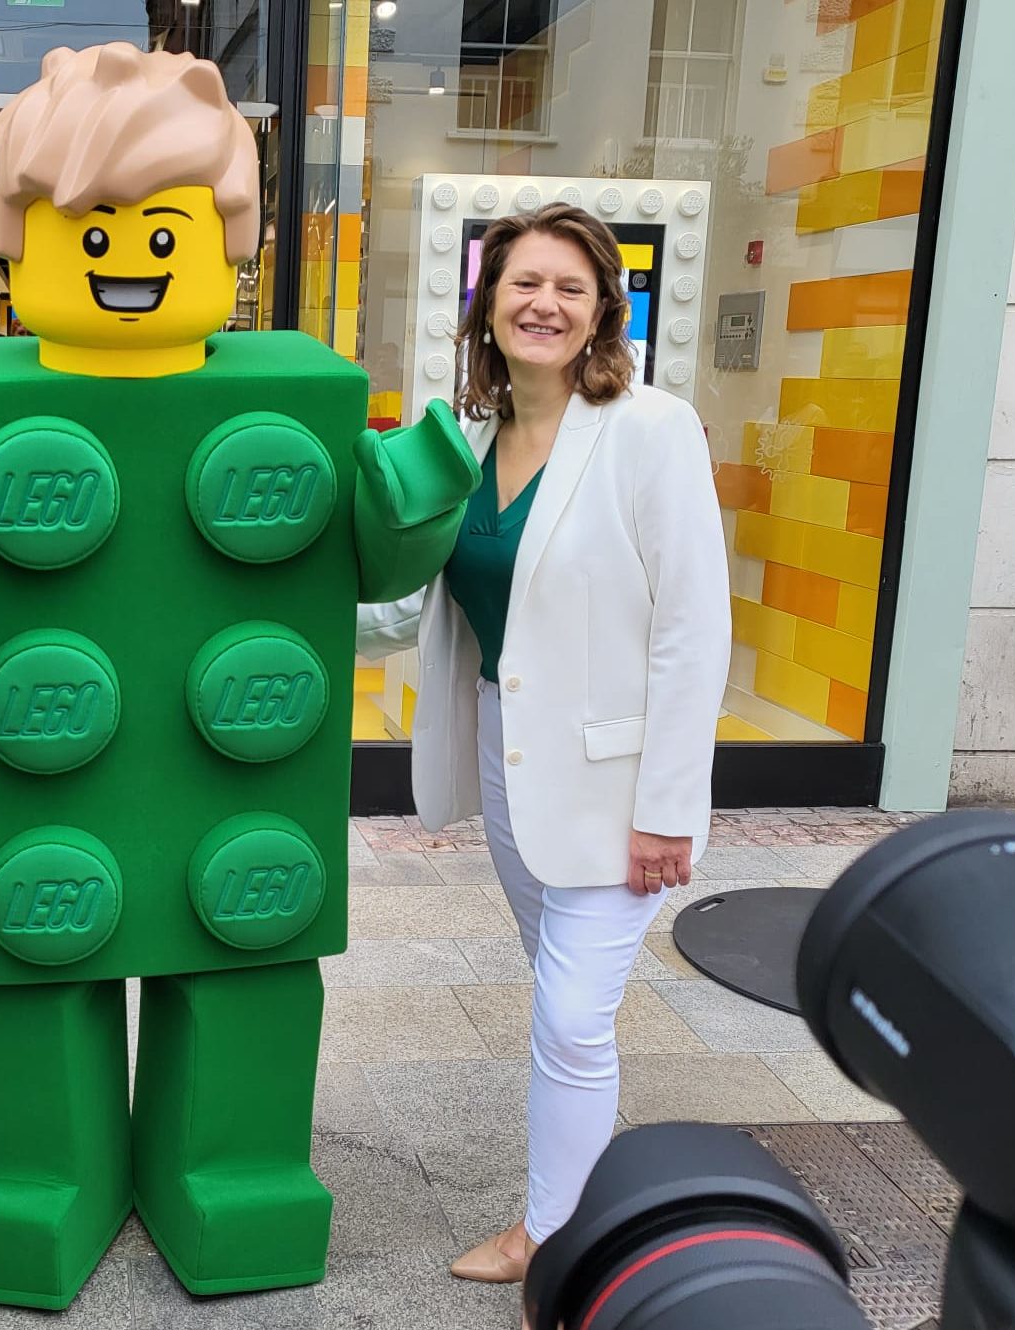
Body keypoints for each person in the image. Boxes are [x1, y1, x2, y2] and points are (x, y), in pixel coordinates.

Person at [358, 203, 731, 1304]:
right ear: (488, 303)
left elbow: (692, 627)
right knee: (565, 1002)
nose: (545, 303)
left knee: (570, 1014)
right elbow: (423, 608)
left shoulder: (651, 431)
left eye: (571, 287)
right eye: (525, 282)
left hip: (619, 789)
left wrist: (670, 804)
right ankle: (584, 1186)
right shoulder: (469, 444)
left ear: (604, 310)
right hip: (512, 775)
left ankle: (554, 1239)